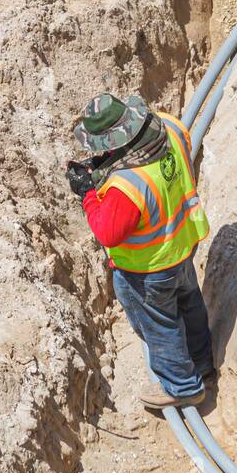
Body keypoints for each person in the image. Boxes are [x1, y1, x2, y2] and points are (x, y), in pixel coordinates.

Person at [67, 93, 214, 411]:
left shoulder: (127, 185)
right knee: (190, 304)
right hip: (182, 241)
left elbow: (108, 231)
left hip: (148, 270)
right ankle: (201, 364)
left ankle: (183, 385)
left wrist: (88, 193)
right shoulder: (171, 128)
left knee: (160, 324)